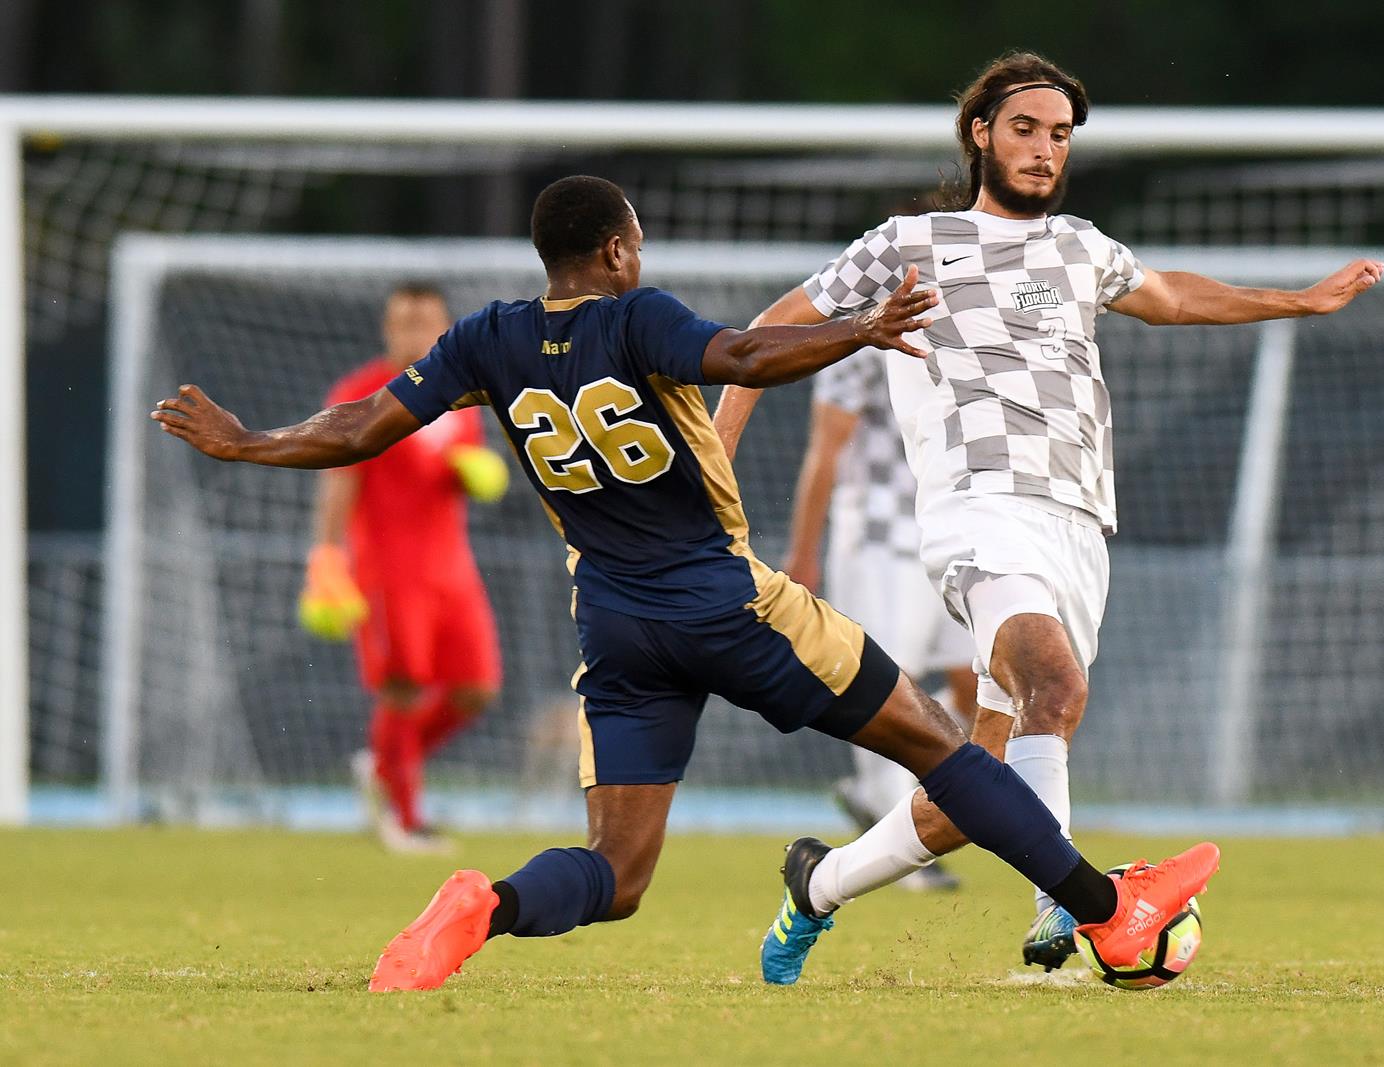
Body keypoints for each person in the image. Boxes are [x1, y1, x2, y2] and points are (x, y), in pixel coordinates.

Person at [152, 174, 1219, 993]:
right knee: (938, 741)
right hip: (726, 600)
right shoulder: (637, 315)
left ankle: (487, 904)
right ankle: (1103, 909)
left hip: (614, 626)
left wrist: (249, 443)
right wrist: (860, 326)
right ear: (615, 249)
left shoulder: (487, 338)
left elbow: (361, 425)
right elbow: (748, 356)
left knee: (614, 874)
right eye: (636, 243)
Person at [713, 50, 1381, 982]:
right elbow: (762, 336)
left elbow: (1175, 295)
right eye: (1025, 128)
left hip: (1077, 522)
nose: (1043, 148)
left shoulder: (1081, 246)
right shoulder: (910, 239)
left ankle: (815, 886)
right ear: (981, 133)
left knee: (977, 783)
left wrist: (1297, 301)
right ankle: (1069, 911)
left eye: (1059, 134)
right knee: (1055, 687)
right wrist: (716, 464)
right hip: (976, 513)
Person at [299, 283, 509, 854]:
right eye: (402, 324)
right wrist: (325, 555)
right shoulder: (362, 393)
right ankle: (404, 816)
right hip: (391, 572)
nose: (413, 335)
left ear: (443, 329)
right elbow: (339, 477)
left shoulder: (462, 394)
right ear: (387, 329)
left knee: (476, 691)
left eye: (425, 324)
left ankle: (386, 766)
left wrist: (472, 469)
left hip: (453, 572)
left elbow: (456, 462)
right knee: (404, 690)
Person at [786, 348, 978, 891]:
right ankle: (896, 834)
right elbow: (825, 448)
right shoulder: (860, 345)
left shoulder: (961, 325)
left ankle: (879, 793)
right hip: (881, 541)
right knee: (894, 683)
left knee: (979, 682)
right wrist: (805, 551)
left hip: (954, 533)